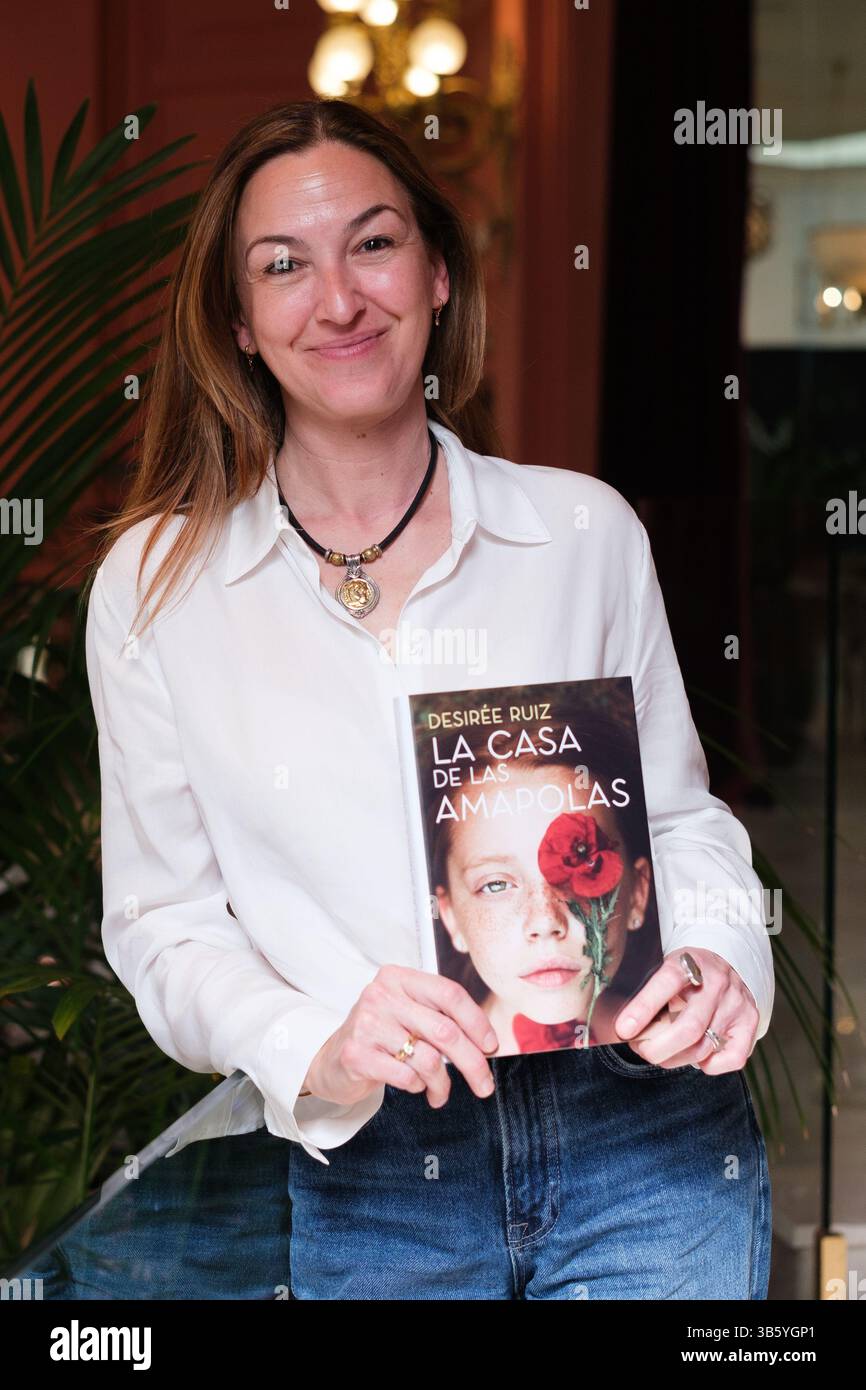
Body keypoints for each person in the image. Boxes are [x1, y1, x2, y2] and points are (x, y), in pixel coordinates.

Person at [72, 97, 773, 1299]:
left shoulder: (579, 531)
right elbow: (161, 923)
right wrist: (319, 1041)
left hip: (643, 1137)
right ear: (237, 322)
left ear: (438, 275)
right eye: (283, 266)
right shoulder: (155, 590)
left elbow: (682, 819)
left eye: (374, 243)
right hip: (377, 1165)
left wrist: (714, 955)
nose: (337, 298)